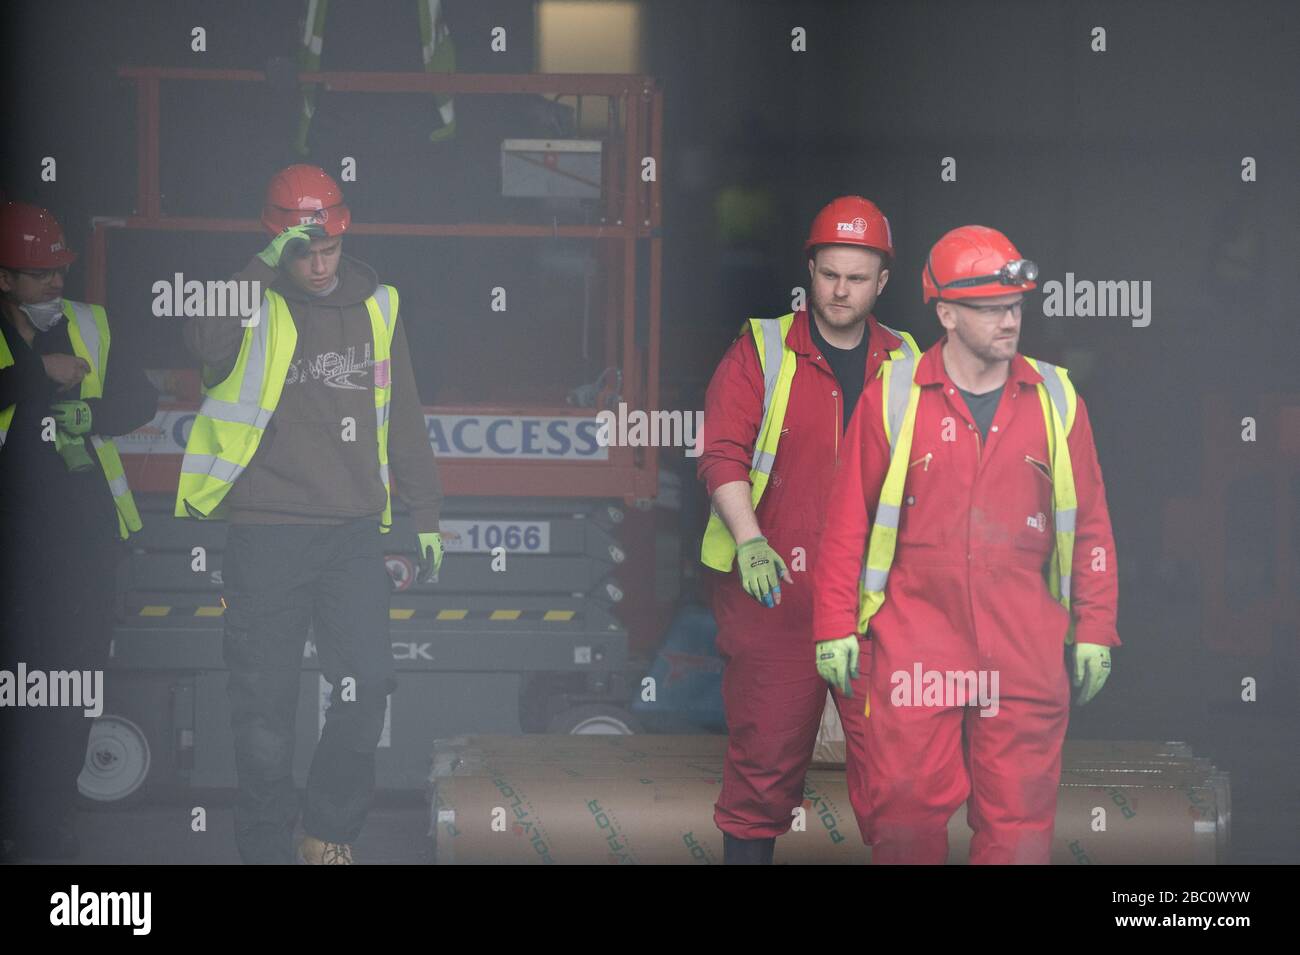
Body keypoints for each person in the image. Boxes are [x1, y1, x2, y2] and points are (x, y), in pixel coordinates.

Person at [814, 225, 1120, 864]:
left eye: (1015, 307)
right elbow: (848, 522)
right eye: (990, 309)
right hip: (919, 637)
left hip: (1024, 643)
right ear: (946, 314)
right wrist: (834, 625)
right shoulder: (894, 398)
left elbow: (1090, 525)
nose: (1009, 322)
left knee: (1018, 820)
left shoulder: (1058, 400)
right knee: (902, 807)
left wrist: (1095, 626)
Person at [175, 164, 445, 864]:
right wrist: (259, 267)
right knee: (263, 712)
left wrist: (426, 513)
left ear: (344, 233)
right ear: (276, 246)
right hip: (265, 532)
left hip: (355, 533)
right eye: (301, 250)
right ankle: (265, 849)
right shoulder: (250, 298)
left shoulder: (379, 304)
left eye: (327, 248)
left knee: (369, 685)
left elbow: (406, 416)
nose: (318, 263)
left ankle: (328, 826)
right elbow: (203, 346)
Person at [697, 196, 919, 864]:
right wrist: (750, 538)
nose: (841, 289)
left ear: (882, 282)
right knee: (761, 773)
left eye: (857, 276)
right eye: (830, 274)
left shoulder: (907, 362)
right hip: (777, 598)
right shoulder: (761, 350)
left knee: (899, 781)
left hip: (874, 606)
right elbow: (723, 454)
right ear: (810, 273)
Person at [0, 201, 156, 860]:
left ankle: (48, 816)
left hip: (84, 545)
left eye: (60, 270)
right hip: (14, 548)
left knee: (72, 685)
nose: (55, 284)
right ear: (5, 279)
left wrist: (84, 409)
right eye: (39, 275)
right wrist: (41, 376)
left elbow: (138, 400)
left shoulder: (92, 324)